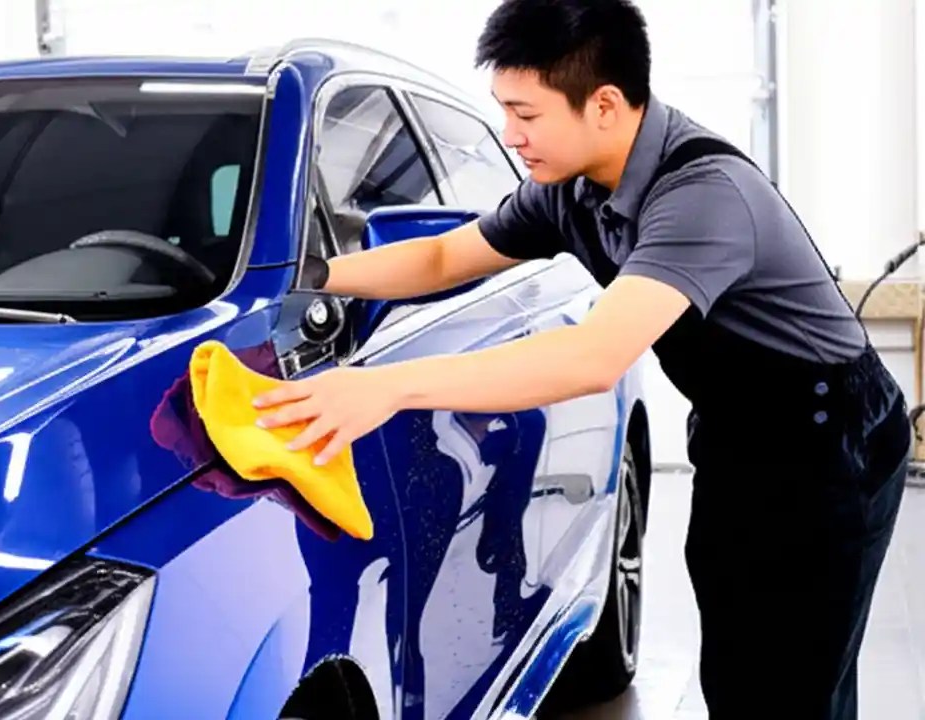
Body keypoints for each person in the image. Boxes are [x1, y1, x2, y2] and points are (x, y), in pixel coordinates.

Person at [251, 0, 913, 717]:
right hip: (737, 432)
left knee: (791, 680)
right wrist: (293, 275)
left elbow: (594, 355)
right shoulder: (567, 191)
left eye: (526, 115)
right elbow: (445, 256)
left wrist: (384, 386)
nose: (511, 135)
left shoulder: (702, 196)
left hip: (829, 439)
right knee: (739, 662)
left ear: (603, 104)